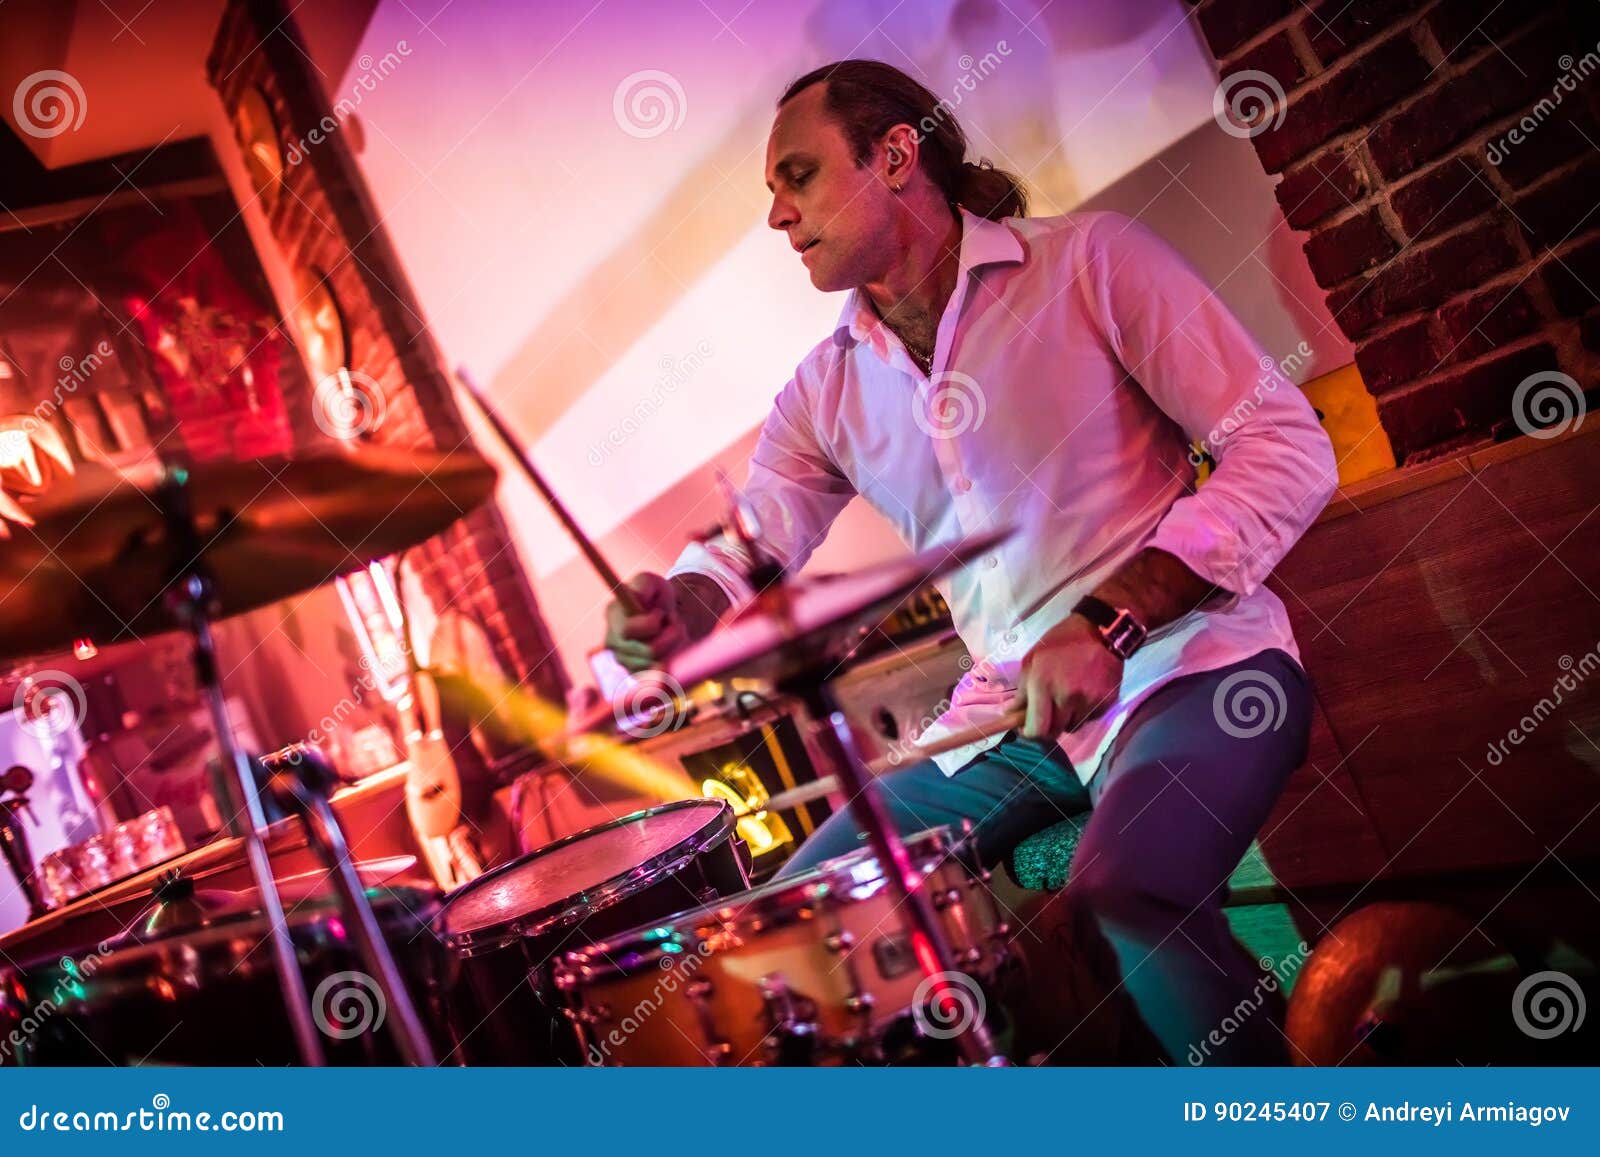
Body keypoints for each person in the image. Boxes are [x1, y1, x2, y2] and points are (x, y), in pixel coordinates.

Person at [603, 59, 1337, 1064]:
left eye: (798, 176)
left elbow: (1286, 447)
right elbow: (744, 550)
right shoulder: (824, 391)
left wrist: (1109, 618)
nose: (776, 214)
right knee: (789, 928)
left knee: (1128, 891)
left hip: (1193, 668)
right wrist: (678, 608)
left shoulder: (1091, 261)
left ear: (895, 155)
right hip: (1008, 719)